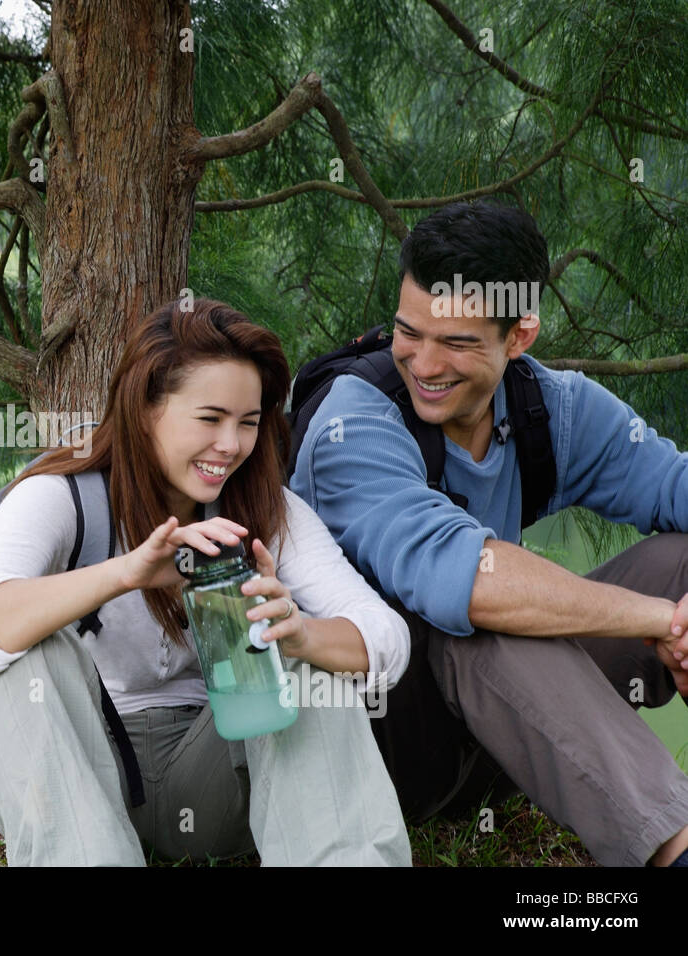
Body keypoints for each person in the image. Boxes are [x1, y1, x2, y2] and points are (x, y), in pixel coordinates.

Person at [0, 297, 412, 866]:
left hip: (216, 779)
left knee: (304, 644)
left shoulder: (264, 509)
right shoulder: (62, 495)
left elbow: (385, 636)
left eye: (248, 422)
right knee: (28, 648)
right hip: (86, 781)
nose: (231, 445)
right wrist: (124, 573)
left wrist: (299, 634)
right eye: (210, 419)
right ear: (145, 410)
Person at [289, 200, 688, 867]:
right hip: (378, 744)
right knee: (475, 609)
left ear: (520, 336)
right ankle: (674, 849)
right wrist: (663, 621)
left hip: (507, 733)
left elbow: (674, 484)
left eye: (458, 342)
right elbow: (468, 578)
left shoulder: (550, 409)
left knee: (681, 562)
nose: (424, 362)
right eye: (408, 331)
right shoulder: (350, 424)